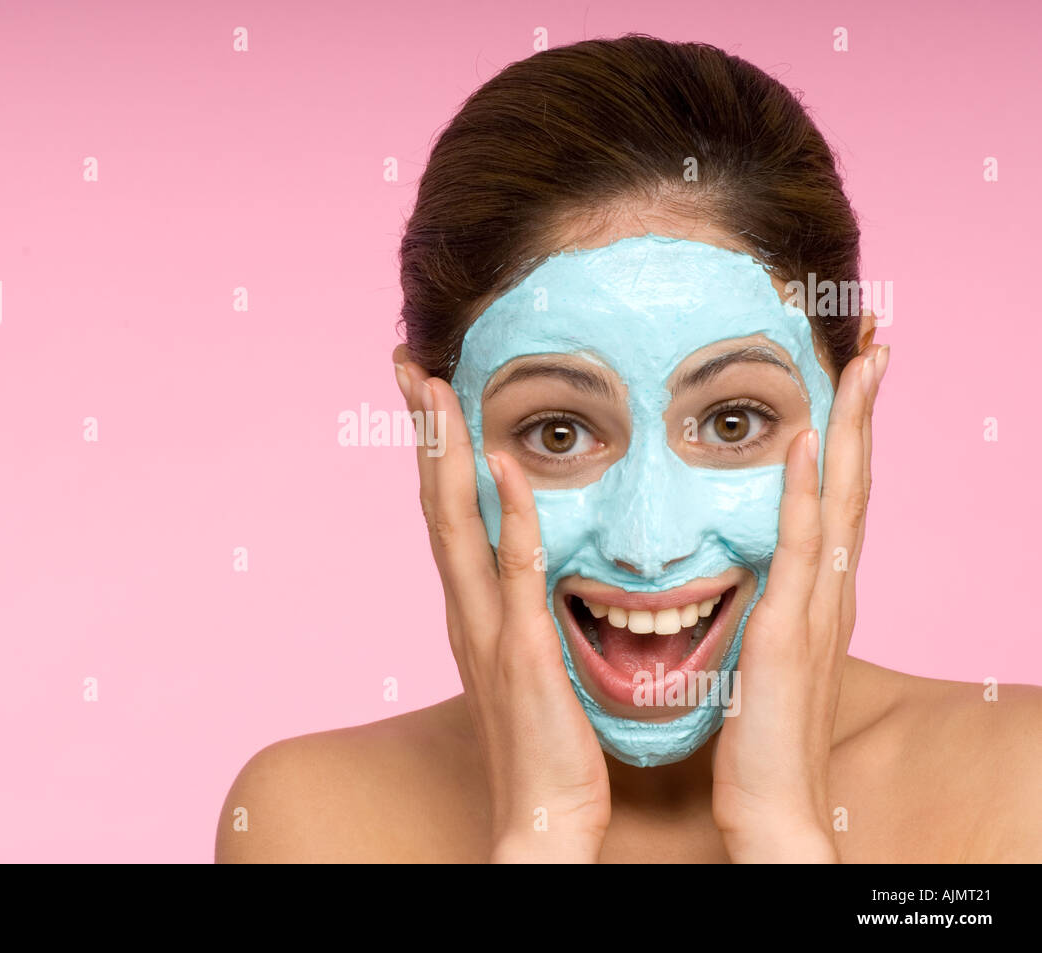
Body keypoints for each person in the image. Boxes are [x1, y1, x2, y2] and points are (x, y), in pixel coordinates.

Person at [215, 35, 1042, 863]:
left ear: (855, 399)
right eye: (558, 433)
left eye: (732, 421)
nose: (649, 546)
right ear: (433, 431)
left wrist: (781, 830)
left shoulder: (1016, 787)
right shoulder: (314, 823)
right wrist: (544, 832)